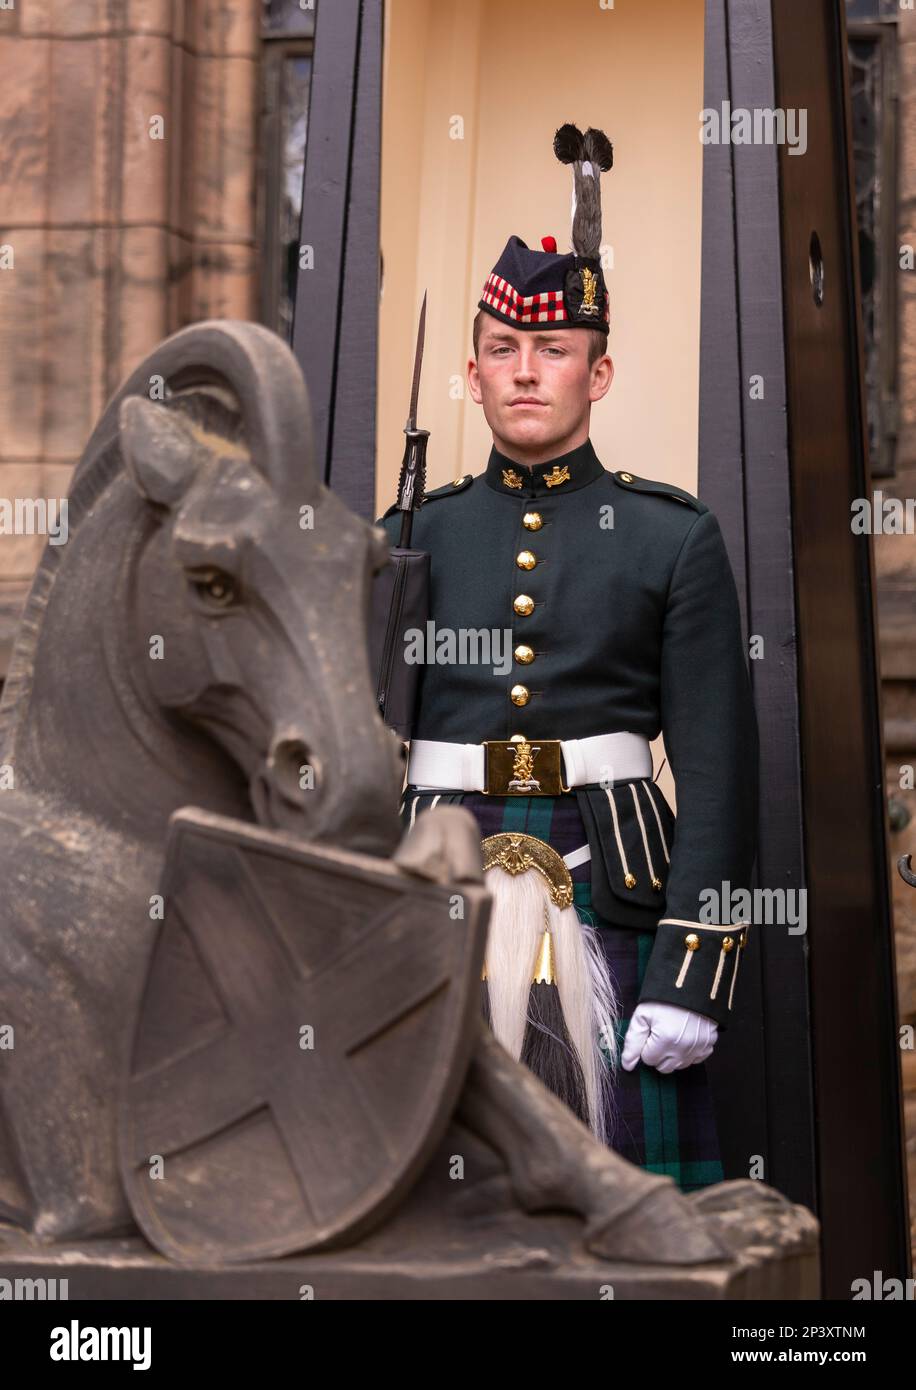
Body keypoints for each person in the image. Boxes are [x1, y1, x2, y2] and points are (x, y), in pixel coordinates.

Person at [375, 124, 759, 1191]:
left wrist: (692, 970)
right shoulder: (414, 534)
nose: (525, 372)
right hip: (434, 874)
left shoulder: (670, 536)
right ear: (471, 372)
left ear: (600, 371)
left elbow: (720, 772)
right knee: (436, 1204)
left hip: (612, 877)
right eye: (503, 350)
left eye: (551, 352)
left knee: (626, 1202)